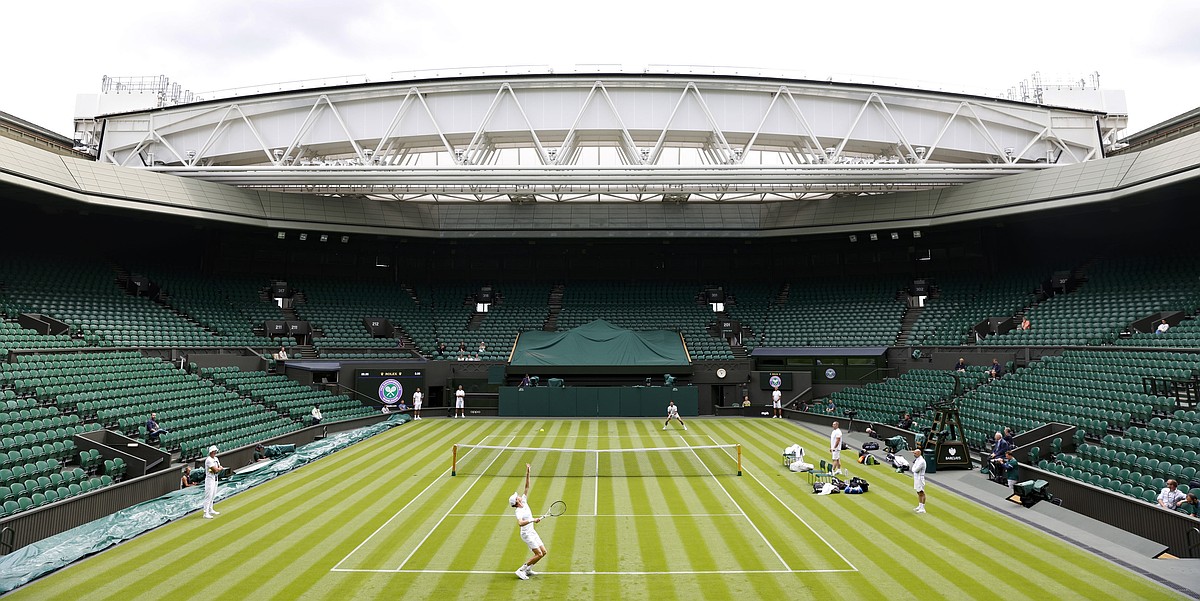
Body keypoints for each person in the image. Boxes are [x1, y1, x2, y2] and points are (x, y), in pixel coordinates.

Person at [511, 463, 547, 580]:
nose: (519, 496)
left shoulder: (524, 501)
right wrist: (532, 519)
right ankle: (521, 570)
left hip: (532, 531)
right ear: (516, 502)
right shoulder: (518, 512)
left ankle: (528, 569)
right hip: (526, 534)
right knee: (539, 554)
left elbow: (526, 487)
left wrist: (528, 472)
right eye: (517, 497)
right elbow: (520, 523)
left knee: (544, 552)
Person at [202, 445, 224, 519]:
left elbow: (218, 467)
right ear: (211, 452)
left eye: (215, 451)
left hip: (215, 478)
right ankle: (206, 513)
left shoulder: (216, 459)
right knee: (208, 496)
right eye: (214, 451)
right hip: (209, 480)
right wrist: (218, 469)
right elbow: (216, 469)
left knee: (213, 495)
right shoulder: (208, 460)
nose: (215, 452)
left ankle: (211, 509)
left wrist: (218, 468)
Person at [912, 447, 927, 513]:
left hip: (920, 478)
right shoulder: (917, 459)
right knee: (918, 492)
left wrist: (914, 469)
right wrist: (914, 469)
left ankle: (923, 508)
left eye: (915, 453)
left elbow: (915, 470)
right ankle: (920, 506)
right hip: (916, 478)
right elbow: (913, 468)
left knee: (921, 493)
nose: (914, 454)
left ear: (918, 453)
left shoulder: (921, 461)